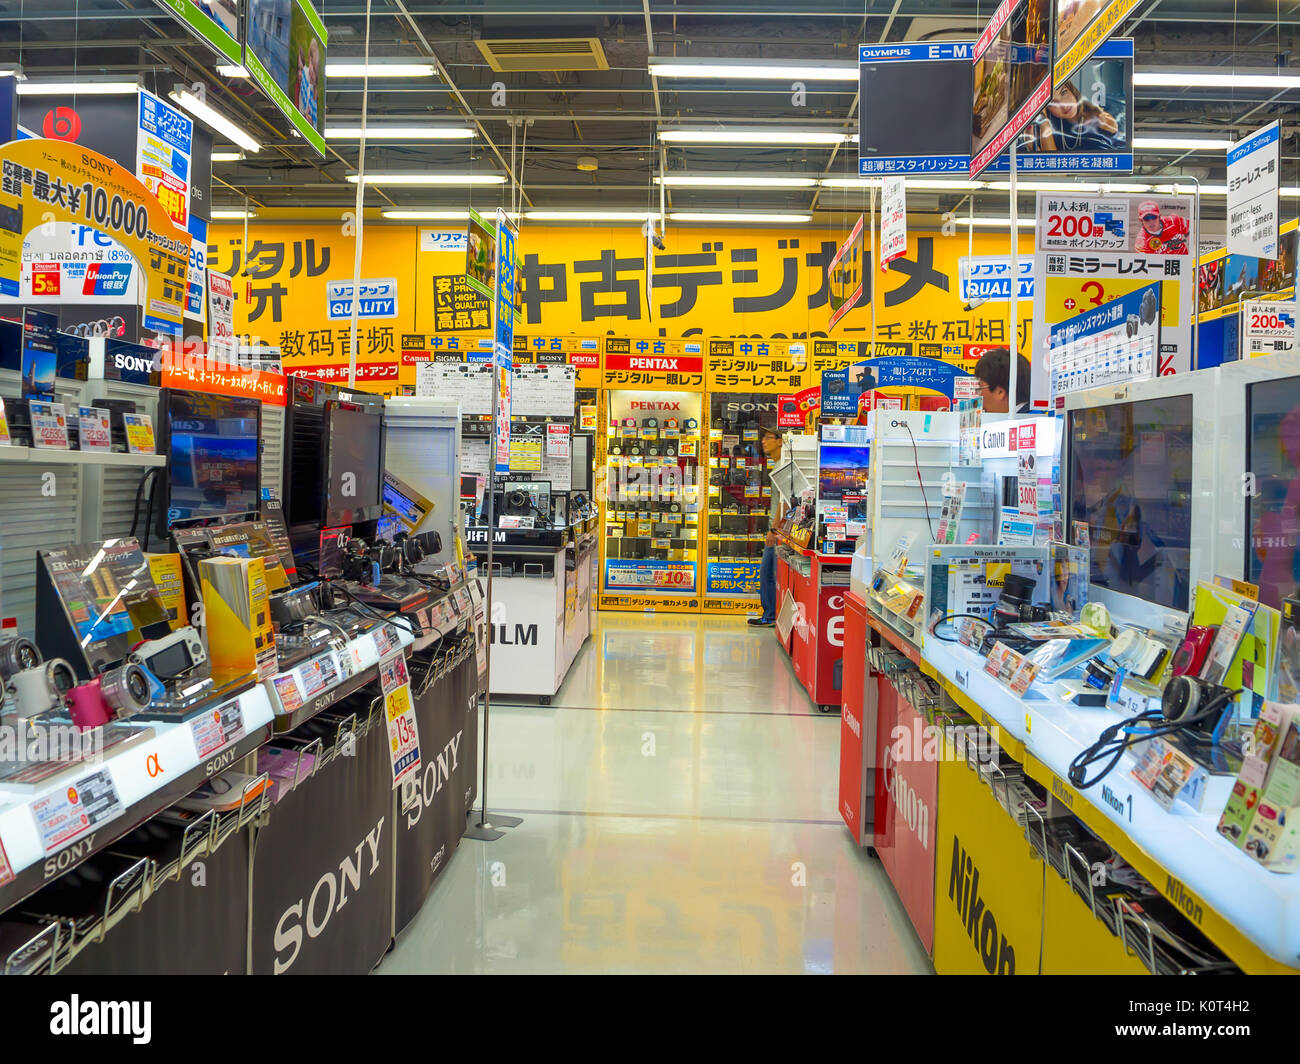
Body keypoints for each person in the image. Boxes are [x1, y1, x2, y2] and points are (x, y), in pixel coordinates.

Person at [749, 426, 784, 628]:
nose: (763, 441)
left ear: (780, 441)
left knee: (767, 573)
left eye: (768, 437)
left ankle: (770, 615)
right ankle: (770, 614)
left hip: (776, 531)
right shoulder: (778, 465)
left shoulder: (781, 467)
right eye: (763, 437)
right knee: (769, 572)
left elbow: (783, 502)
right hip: (777, 529)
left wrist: (773, 530)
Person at [1032, 80, 1120, 152]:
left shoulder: (1102, 120)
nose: (1064, 105)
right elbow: (1048, 162)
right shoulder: (1050, 124)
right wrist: (1044, 123)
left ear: (1072, 90)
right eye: (1052, 103)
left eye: (1064, 92)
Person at [972, 347, 1032, 413]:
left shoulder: (1028, 421)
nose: (979, 396)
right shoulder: (1032, 415)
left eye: (980, 388)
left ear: (1000, 392)